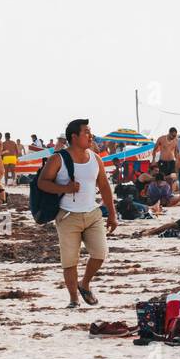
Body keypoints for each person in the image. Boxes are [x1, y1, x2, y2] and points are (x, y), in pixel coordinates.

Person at [36, 118, 116, 308]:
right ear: (74, 136)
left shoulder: (96, 158)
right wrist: (66, 187)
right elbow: (42, 182)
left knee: (100, 253)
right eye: (86, 132)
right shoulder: (59, 158)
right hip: (67, 216)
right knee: (70, 260)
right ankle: (73, 299)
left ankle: (85, 283)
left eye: (90, 132)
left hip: (93, 214)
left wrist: (112, 213)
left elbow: (104, 186)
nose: (91, 136)